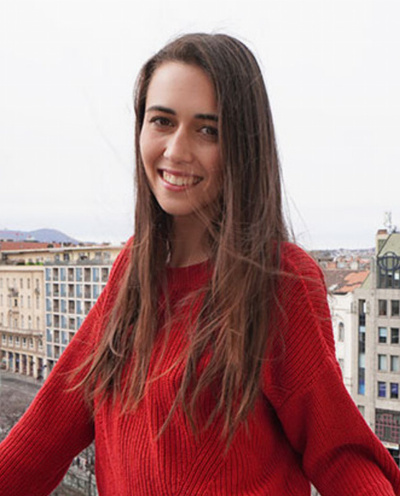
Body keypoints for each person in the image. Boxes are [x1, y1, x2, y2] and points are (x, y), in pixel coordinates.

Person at [0, 33, 399, 496]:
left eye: (208, 130)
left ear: (243, 147)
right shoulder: (133, 269)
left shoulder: (279, 280)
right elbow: (46, 432)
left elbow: (340, 455)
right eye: (162, 121)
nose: (176, 150)